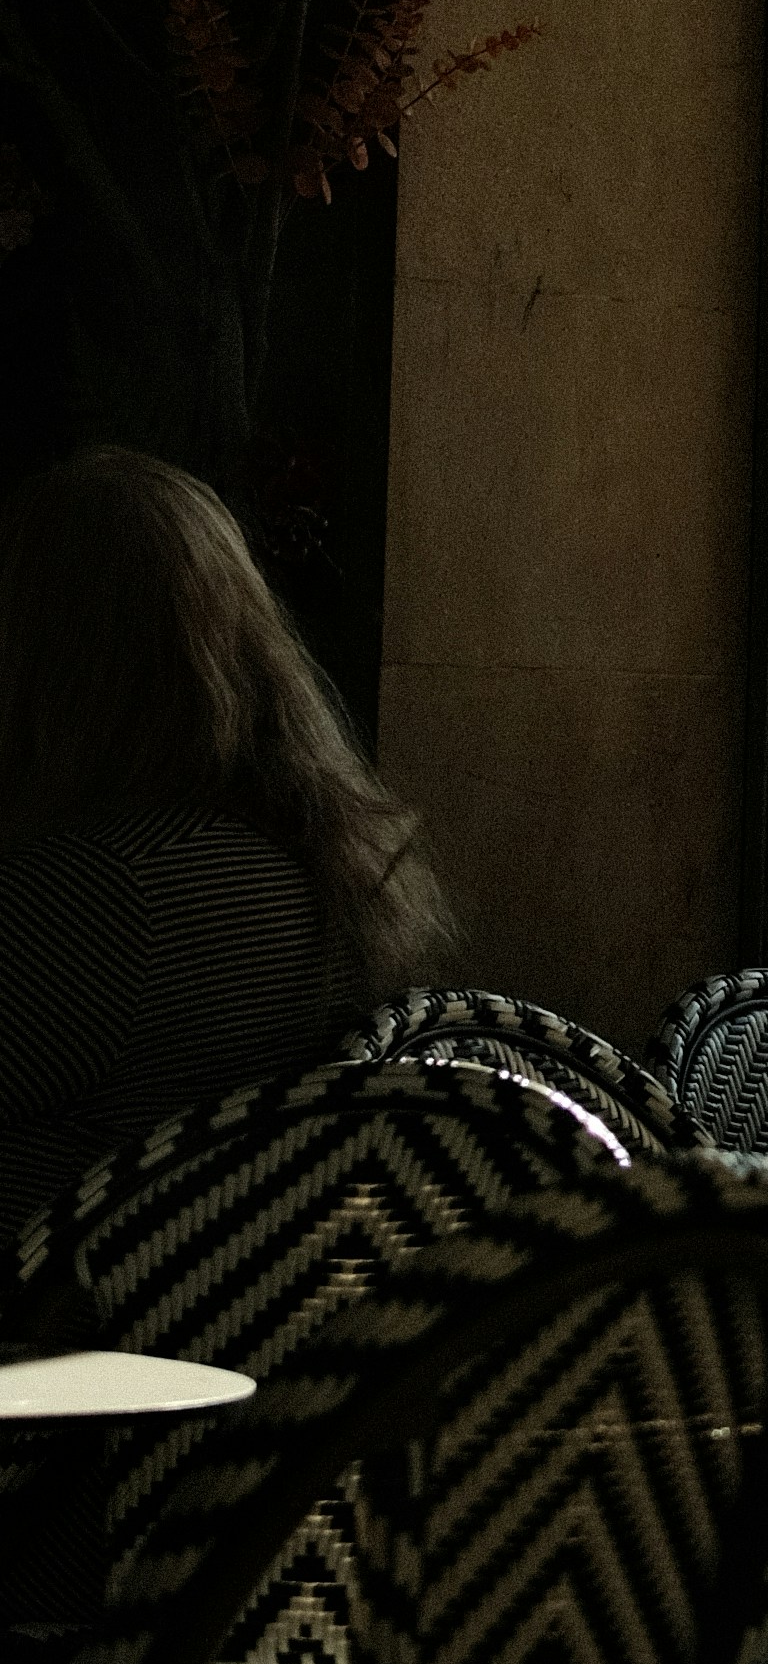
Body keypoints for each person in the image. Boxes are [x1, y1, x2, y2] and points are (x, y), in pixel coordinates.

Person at [0, 445, 448, 1217]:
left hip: (62, 1331)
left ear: (40, 659)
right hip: (235, 1327)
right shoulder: (339, 863)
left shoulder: (99, 892)